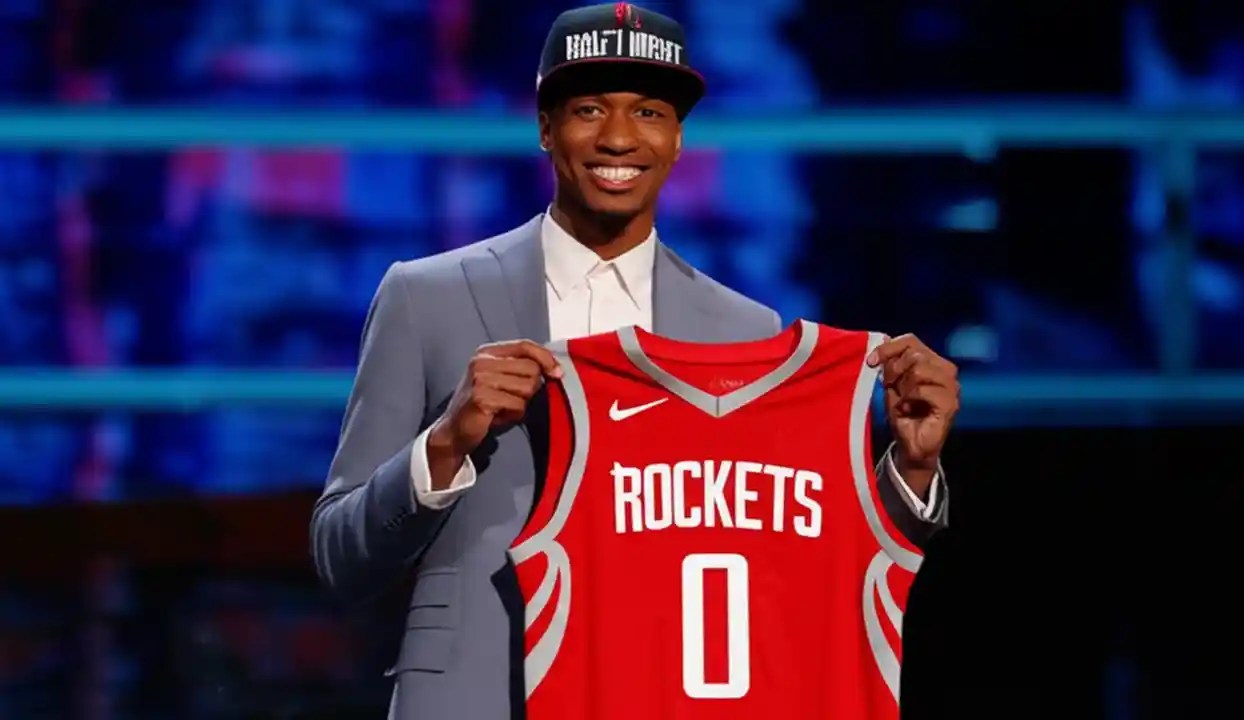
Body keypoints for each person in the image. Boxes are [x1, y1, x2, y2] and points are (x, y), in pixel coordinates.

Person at [309, 4, 960, 718]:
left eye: (649, 112)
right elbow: (339, 555)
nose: (618, 137)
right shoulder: (425, 297)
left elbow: (793, 555)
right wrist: (445, 445)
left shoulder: (740, 328)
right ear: (545, 128)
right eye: (588, 108)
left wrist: (910, 472)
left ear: (678, 139)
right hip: (474, 698)